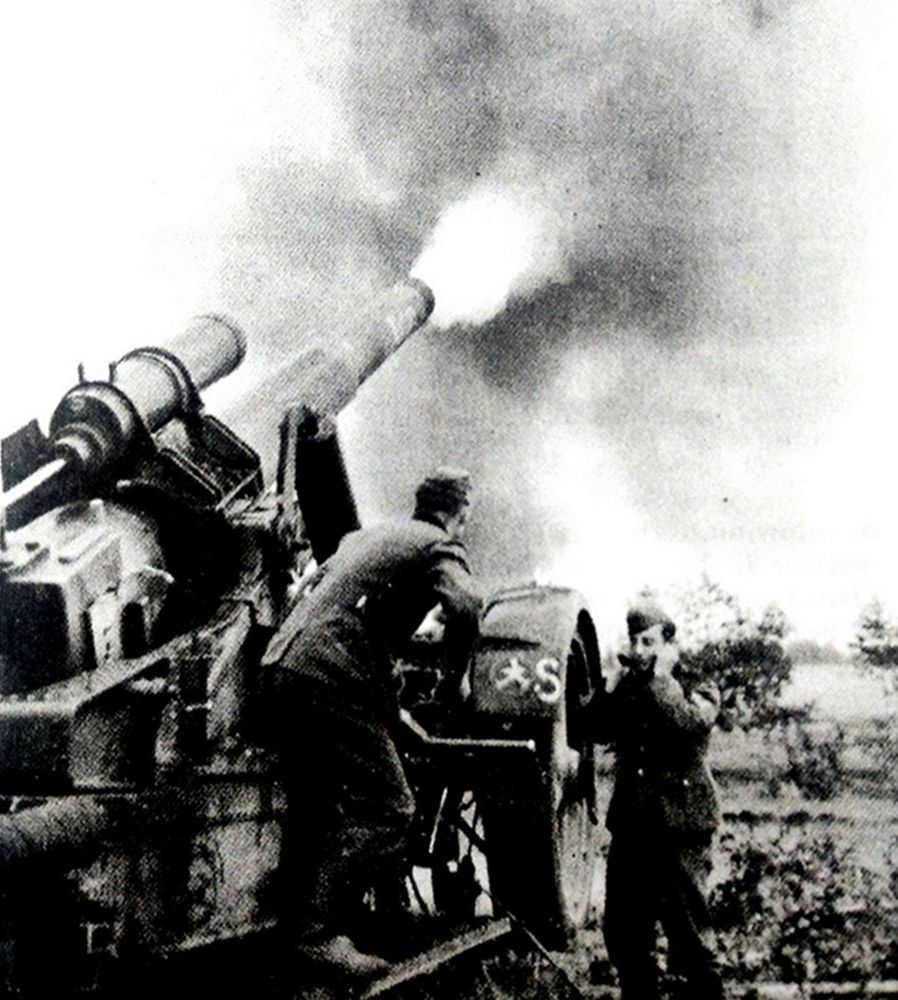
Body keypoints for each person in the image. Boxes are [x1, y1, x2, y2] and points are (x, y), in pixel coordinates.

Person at [262, 467, 481, 978]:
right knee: (389, 807)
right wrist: (453, 681)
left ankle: (295, 928)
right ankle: (317, 937)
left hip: (281, 665)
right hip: (330, 674)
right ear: (461, 512)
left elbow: (337, 610)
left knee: (316, 804)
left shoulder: (366, 537)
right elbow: (467, 607)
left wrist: (387, 697)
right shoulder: (437, 545)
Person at [592, 600, 725, 1000]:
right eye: (634, 641)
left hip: (680, 829)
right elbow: (595, 729)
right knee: (625, 937)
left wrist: (661, 679)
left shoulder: (696, 681)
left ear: (669, 644)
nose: (638, 650)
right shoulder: (630, 685)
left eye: (648, 642)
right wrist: (608, 687)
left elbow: (688, 724)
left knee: (690, 940)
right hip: (634, 828)